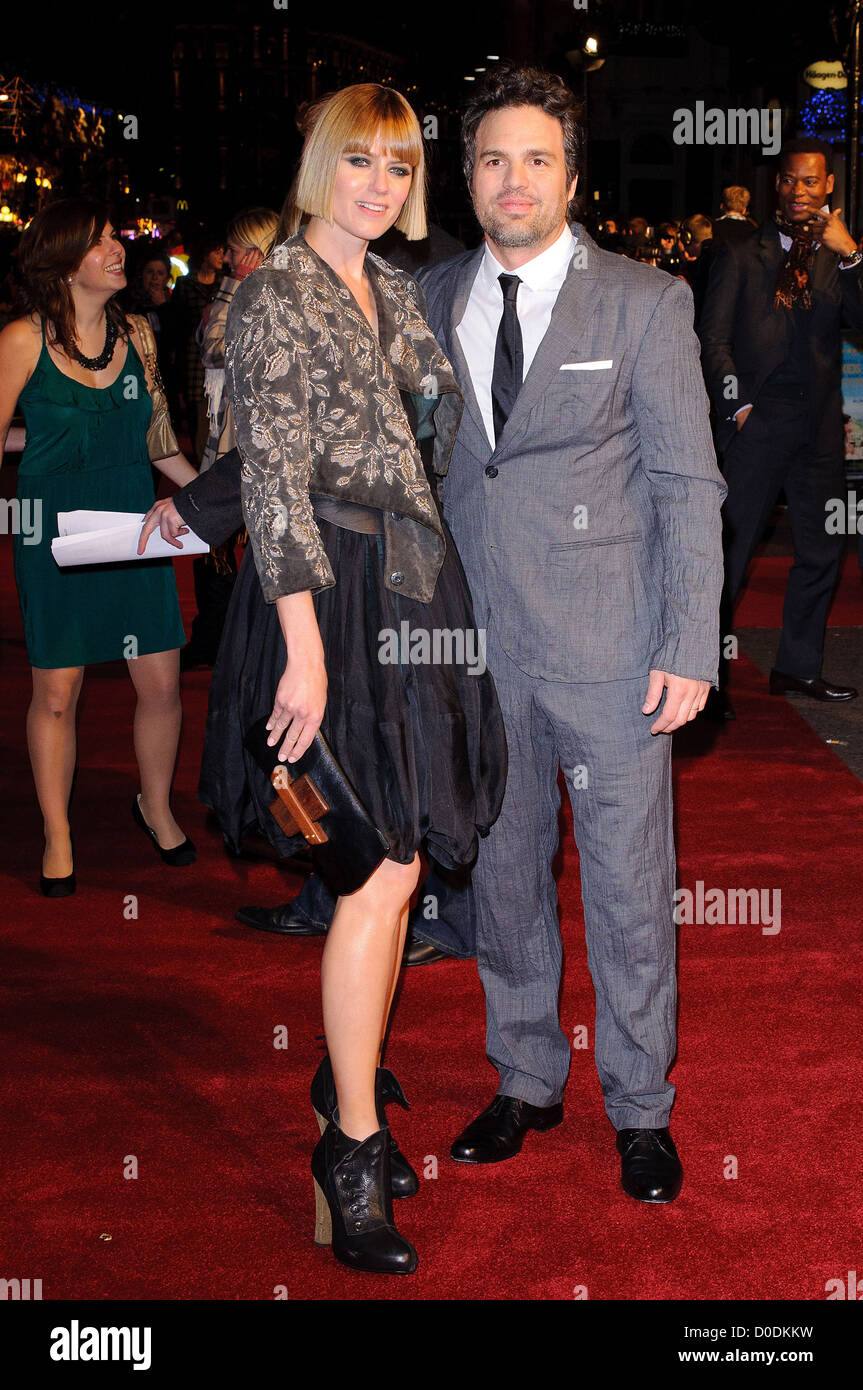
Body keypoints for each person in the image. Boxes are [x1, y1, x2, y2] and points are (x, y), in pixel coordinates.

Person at [416, 64, 724, 1201]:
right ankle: (524, 1075)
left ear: (571, 176)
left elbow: (688, 481)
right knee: (499, 874)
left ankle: (639, 1103)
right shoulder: (427, 296)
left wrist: (690, 641)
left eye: (535, 158)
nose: (514, 179)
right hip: (474, 647)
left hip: (610, 648)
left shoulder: (645, 302)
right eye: (493, 158)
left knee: (629, 886)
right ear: (467, 177)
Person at [212, 84, 506, 1273]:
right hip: (319, 592)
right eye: (361, 164)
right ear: (321, 164)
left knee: (392, 870)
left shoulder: (388, 287)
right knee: (377, 867)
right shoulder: (274, 291)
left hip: (406, 585)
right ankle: (350, 1138)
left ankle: (346, 1098)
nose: (380, 186)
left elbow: (437, 439)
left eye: (399, 168)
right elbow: (271, 475)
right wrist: (303, 643)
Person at [0, 198, 198, 896]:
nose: (119, 249)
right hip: (50, 529)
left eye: (116, 237)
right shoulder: (21, 340)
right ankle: (58, 832)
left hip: (131, 522)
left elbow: (159, 442)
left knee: (162, 683)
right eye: (100, 242)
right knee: (57, 691)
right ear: (60, 263)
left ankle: (157, 805)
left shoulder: (138, 335)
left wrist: (215, 501)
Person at [699, 138, 861, 718]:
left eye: (810, 183)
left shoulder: (837, 259)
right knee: (730, 554)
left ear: (828, 188)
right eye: (789, 181)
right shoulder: (743, 251)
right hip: (757, 425)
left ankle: (797, 668)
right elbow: (712, 340)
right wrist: (737, 408)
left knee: (822, 550)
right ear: (779, 186)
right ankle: (707, 680)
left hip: (817, 428)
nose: (798, 192)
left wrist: (852, 257)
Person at [180, 208, 279, 671]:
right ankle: (218, 638)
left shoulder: (270, 290)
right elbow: (213, 345)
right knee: (217, 548)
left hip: (251, 444)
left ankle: (230, 642)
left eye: (236, 250)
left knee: (241, 545)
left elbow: (219, 346)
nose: (228, 258)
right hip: (229, 436)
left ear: (255, 253)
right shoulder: (239, 290)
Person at [169, 234, 224, 459]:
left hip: (217, 355)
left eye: (223, 251)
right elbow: (176, 323)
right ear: (204, 255)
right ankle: (199, 456)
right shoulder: (185, 284)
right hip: (192, 355)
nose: (221, 256)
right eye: (216, 251)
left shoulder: (224, 284)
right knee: (196, 410)